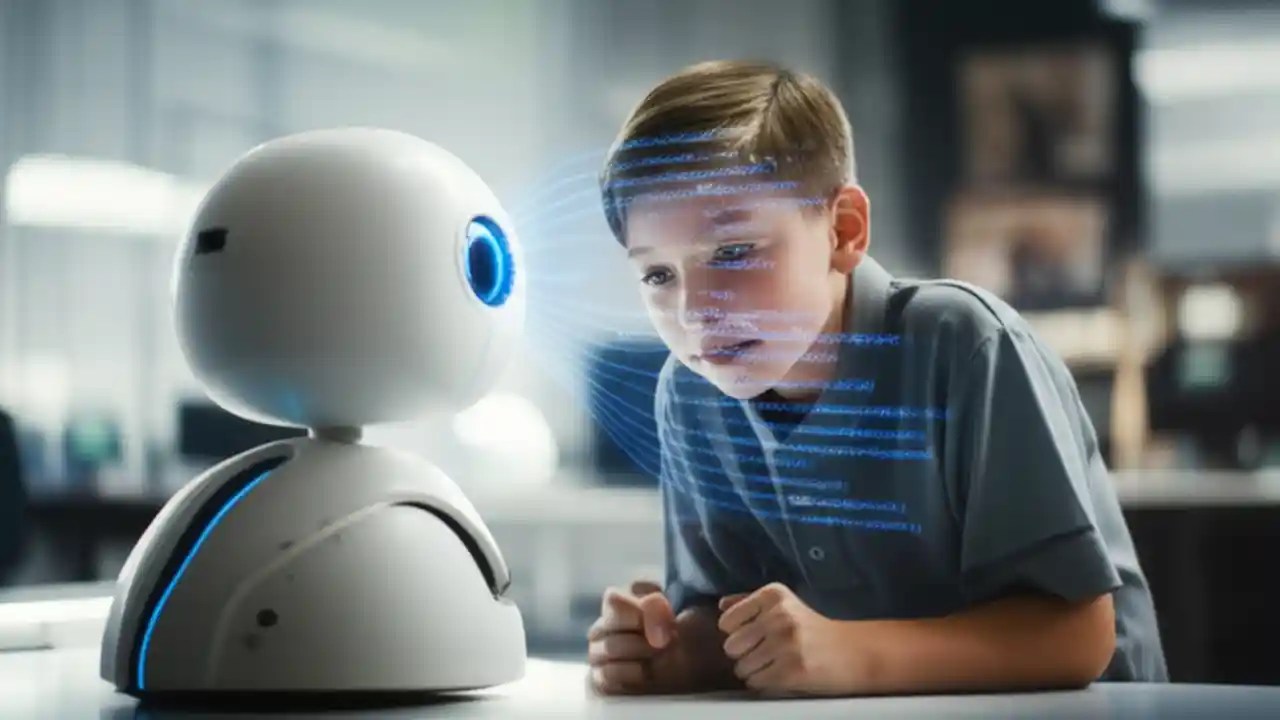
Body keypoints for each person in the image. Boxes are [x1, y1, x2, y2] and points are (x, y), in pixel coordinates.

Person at [585, 60, 1167, 697]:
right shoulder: (691, 392)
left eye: (732, 252)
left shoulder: (965, 344)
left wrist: (850, 654)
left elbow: (1078, 635)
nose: (695, 311)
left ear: (843, 230)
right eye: (658, 275)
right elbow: (729, 622)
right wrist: (671, 649)